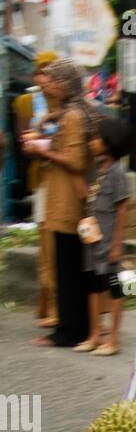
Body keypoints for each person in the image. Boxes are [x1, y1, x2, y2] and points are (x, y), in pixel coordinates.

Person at [24, 60, 94, 349]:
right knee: (65, 265)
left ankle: (70, 331)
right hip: (60, 196)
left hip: (68, 200)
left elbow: (76, 160)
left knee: (68, 266)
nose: (47, 84)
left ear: (66, 84)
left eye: (53, 80)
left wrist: (47, 151)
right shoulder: (70, 113)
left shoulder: (75, 116)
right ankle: (69, 328)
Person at [77, 117, 130, 356]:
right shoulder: (97, 170)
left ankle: (114, 340)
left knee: (116, 289)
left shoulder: (118, 173)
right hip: (92, 242)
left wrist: (118, 244)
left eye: (97, 138)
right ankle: (95, 335)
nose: (92, 142)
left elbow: (122, 210)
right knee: (92, 287)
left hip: (109, 243)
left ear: (110, 142)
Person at [14, 50, 59, 326]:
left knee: (57, 244)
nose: (47, 77)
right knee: (46, 242)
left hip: (64, 175)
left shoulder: (69, 103)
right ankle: (48, 300)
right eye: (43, 71)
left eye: (52, 71)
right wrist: (37, 141)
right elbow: (24, 145)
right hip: (43, 177)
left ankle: (50, 302)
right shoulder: (27, 103)